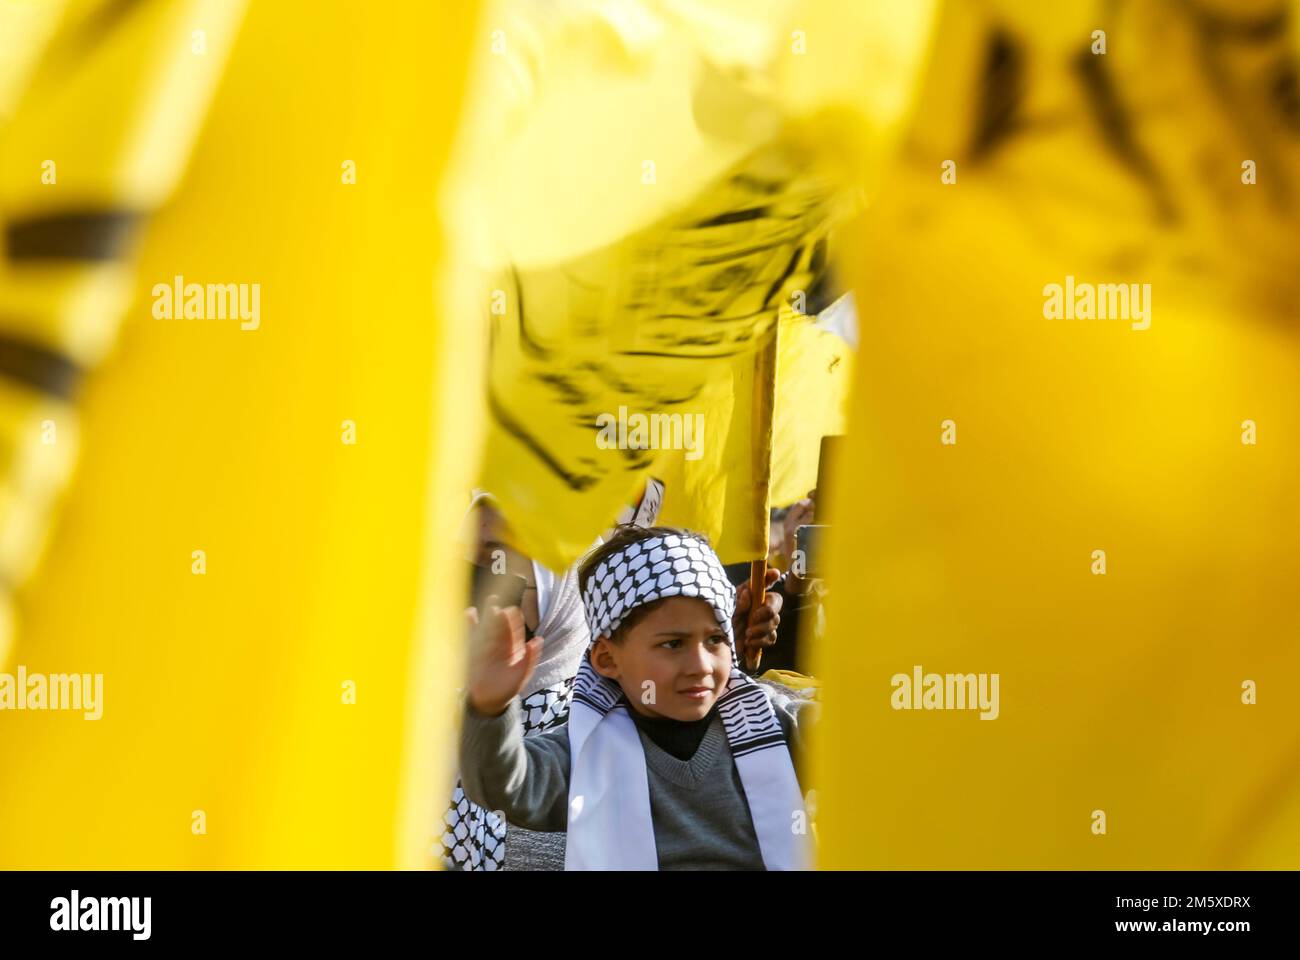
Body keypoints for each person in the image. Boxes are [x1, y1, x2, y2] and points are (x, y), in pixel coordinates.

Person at [458, 525, 816, 870]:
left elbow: (857, 742)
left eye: (715, 640)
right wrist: (489, 708)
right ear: (607, 658)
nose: (700, 665)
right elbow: (505, 786)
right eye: (672, 644)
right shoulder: (586, 748)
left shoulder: (774, 723)